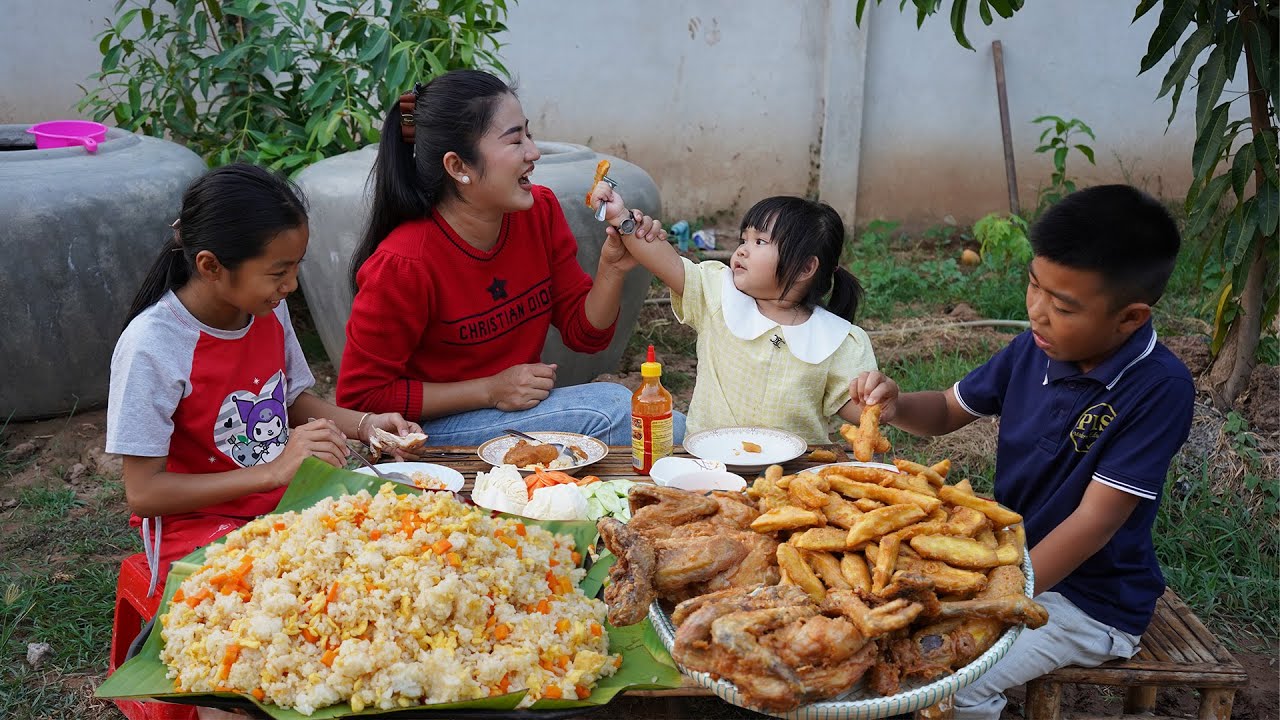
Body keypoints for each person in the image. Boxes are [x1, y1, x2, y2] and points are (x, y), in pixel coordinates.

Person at [850, 185, 1193, 719]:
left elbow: (1094, 522)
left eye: (1062, 306)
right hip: (1005, 561)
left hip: (1086, 599)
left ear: (1129, 318)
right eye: (1034, 287)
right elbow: (945, 410)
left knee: (946, 683)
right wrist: (895, 405)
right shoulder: (1035, 348)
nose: (1036, 312)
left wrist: (990, 595)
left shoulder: (1158, 388)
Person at [106, 163, 420, 595]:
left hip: (285, 500)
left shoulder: (267, 308)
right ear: (210, 266)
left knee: (400, 554)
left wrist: (367, 425)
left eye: (296, 268)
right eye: (278, 272)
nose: (291, 285)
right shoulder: (153, 346)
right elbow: (144, 493)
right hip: (200, 528)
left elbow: (289, 402)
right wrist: (273, 471)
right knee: (297, 599)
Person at [337, 70, 684, 447]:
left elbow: (586, 335)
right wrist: (488, 390)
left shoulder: (539, 212)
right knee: (621, 413)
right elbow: (360, 399)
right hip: (427, 434)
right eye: (515, 140)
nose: (533, 153)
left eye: (529, 134)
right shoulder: (404, 263)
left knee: (646, 419)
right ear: (458, 167)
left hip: (512, 415)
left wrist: (612, 268)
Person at [588, 183, 876, 444]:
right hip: (709, 462)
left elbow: (862, 413)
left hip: (792, 477)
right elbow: (666, 261)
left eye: (760, 242)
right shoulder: (718, 294)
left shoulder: (836, 339)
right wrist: (621, 217)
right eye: (743, 240)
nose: (742, 251)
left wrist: (879, 400)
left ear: (805, 268)